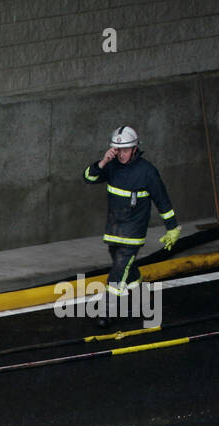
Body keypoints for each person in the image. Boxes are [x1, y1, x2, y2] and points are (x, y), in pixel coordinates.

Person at [83, 125, 180, 327]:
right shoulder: (110, 166)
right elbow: (88, 177)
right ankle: (142, 300)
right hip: (114, 231)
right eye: (118, 150)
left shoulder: (147, 172)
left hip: (133, 234)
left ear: (135, 148)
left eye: (125, 150)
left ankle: (107, 312)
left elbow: (162, 200)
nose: (121, 154)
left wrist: (172, 227)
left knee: (118, 271)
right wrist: (102, 162)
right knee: (127, 267)